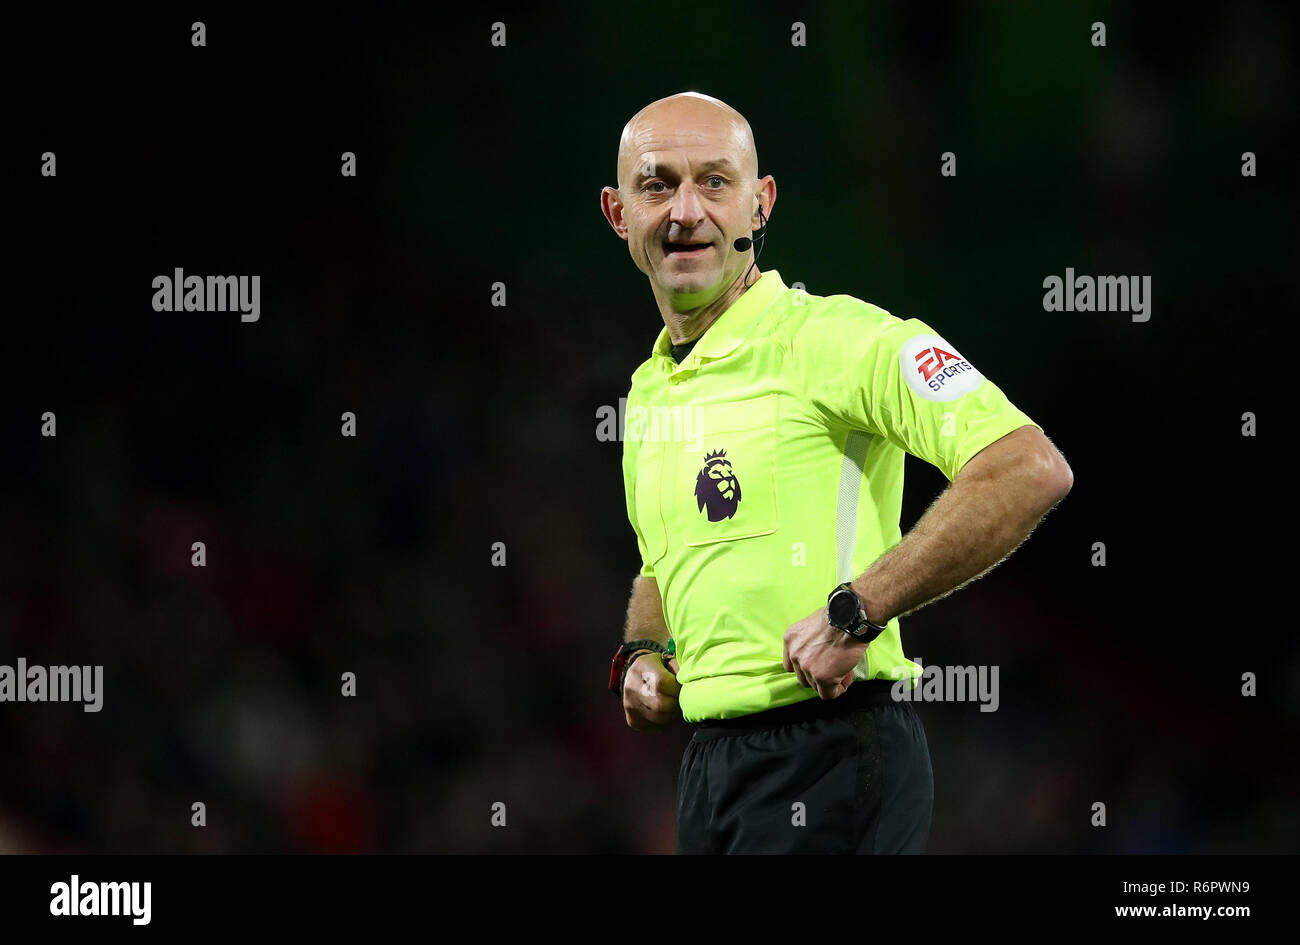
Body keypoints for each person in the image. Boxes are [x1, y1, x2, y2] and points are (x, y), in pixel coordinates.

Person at [600, 91, 1072, 854]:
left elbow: (1026, 466)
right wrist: (645, 653)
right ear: (619, 213)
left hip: (831, 753)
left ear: (761, 203)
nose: (687, 210)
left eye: (716, 182)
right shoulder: (651, 393)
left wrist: (862, 607)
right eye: (657, 185)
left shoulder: (837, 340)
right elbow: (662, 565)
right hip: (710, 774)